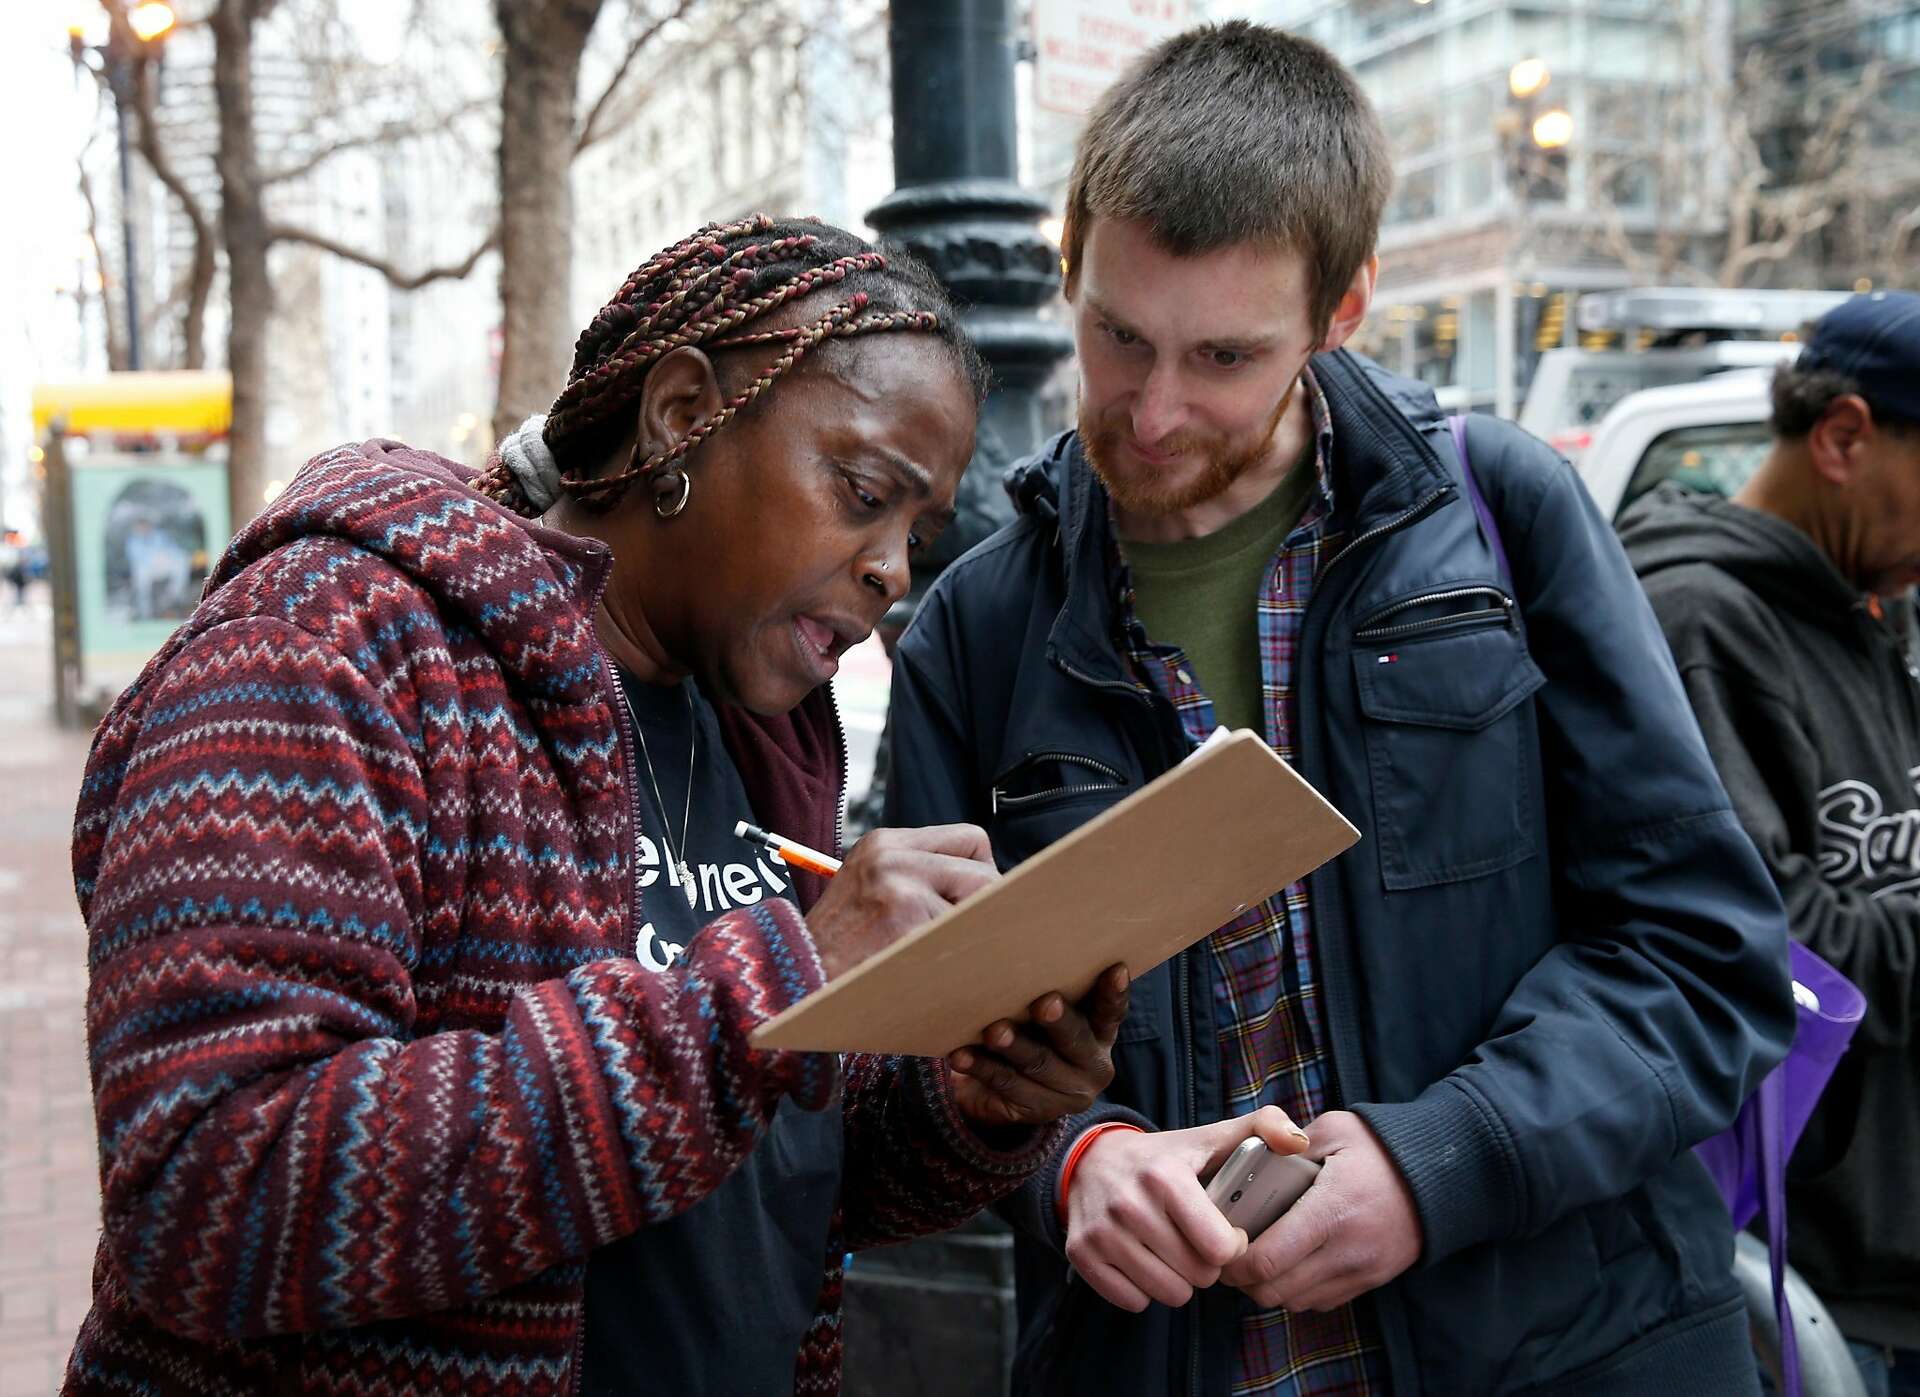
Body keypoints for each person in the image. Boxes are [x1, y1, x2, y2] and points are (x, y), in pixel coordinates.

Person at [63, 216, 1130, 1397]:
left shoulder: (756, 733)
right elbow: (208, 1190)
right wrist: (775, 989)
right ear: (682, 414)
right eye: (863, 490)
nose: (891, 568)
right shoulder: (333, 644)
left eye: (917, 531)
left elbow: (738, 1188)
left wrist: (966, 1105)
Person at [884, 23, 1796, 1397]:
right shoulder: (976, 629)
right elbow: (925, 1062)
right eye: (1118, 338)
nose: (1152, 412)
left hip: (1569, 1345)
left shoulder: (1506, 522)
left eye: (1228, 358)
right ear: (1069, 261)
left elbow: (1705, 956)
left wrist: (1444, 1164)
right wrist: (1083, 1156)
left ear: (1343, 312)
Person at [1620, 291, 1920, 1397]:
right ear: (1844, 436)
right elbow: (1784, 948)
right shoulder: (1703, 618)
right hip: (1824, 1285)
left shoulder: (1872, 603)